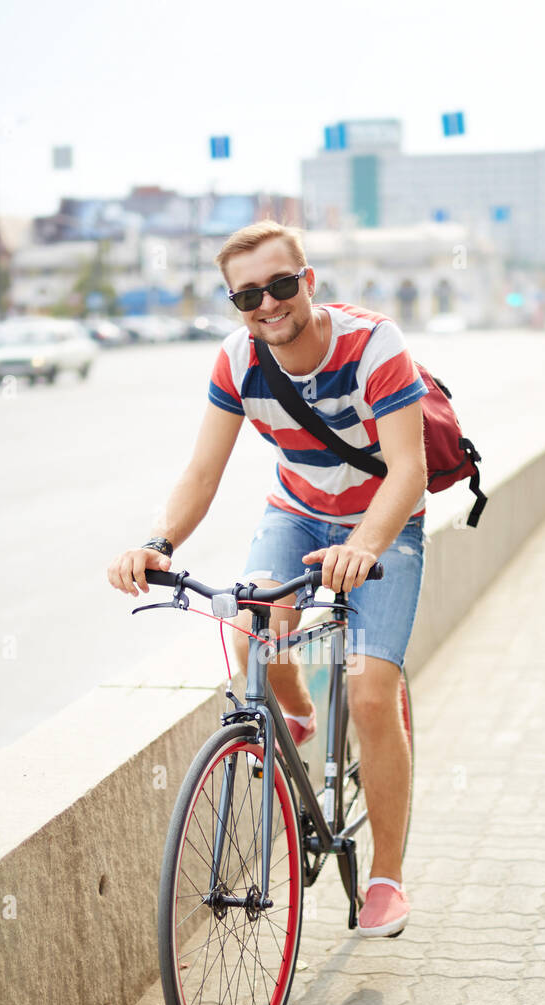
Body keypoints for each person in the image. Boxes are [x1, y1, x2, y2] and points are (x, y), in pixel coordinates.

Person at [107, 220, 427, 937]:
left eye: (281, 285)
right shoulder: (237, 360)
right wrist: (158, 543)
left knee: (371, 692)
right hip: (296, 513)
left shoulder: (374, 344)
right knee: (250, 627)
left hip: (385, 521)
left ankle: (386, 878)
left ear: (308, 282)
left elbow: (410, 470)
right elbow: (202, 473)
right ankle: (298, 716)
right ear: (236, 303)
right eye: (248, 295)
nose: (268, 304)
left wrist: (363, 544)